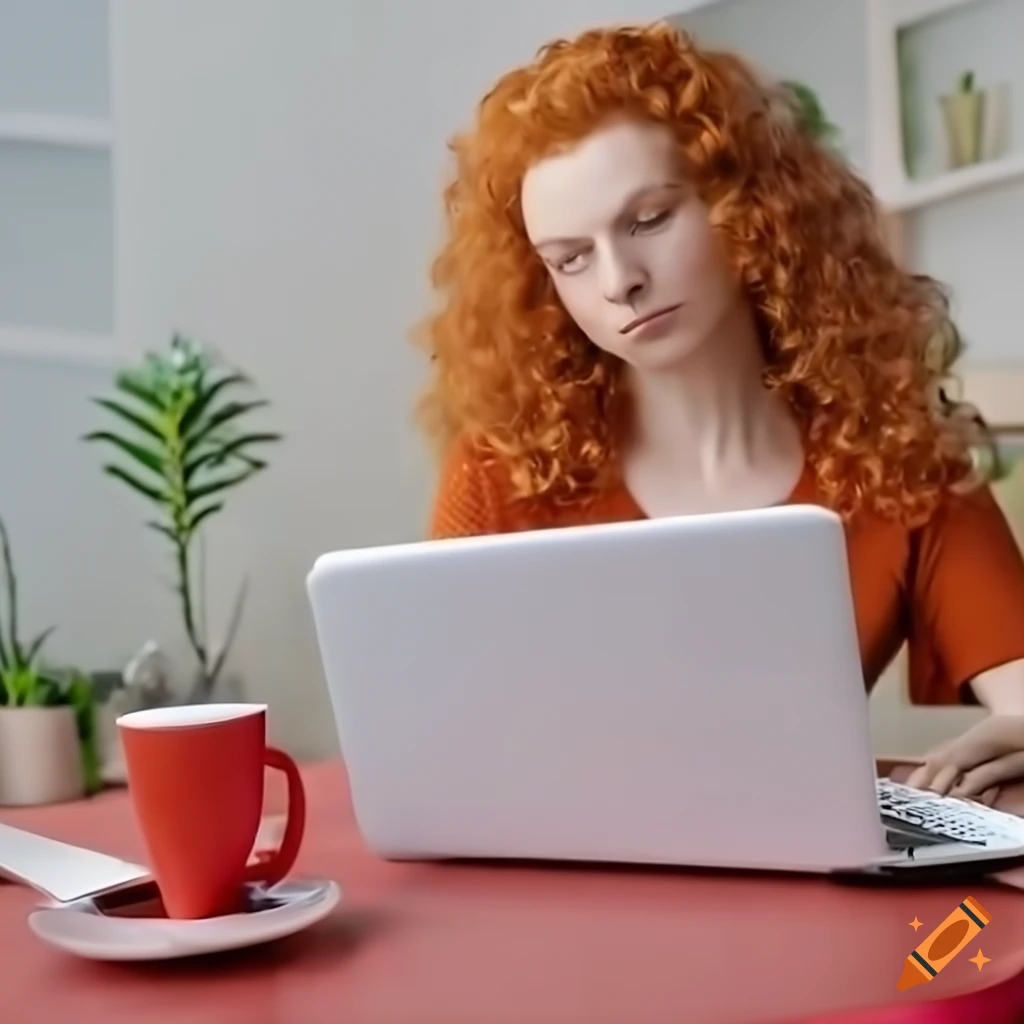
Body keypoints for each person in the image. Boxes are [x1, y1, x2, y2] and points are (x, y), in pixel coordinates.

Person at [411, 22, 1024, 802]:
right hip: (567, 882)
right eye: (570, 258)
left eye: (650, 219)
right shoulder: (499, 473)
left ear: (750, 212)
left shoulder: (897, 454)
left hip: (802, 884)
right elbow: (443, 743)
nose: (619, 280)